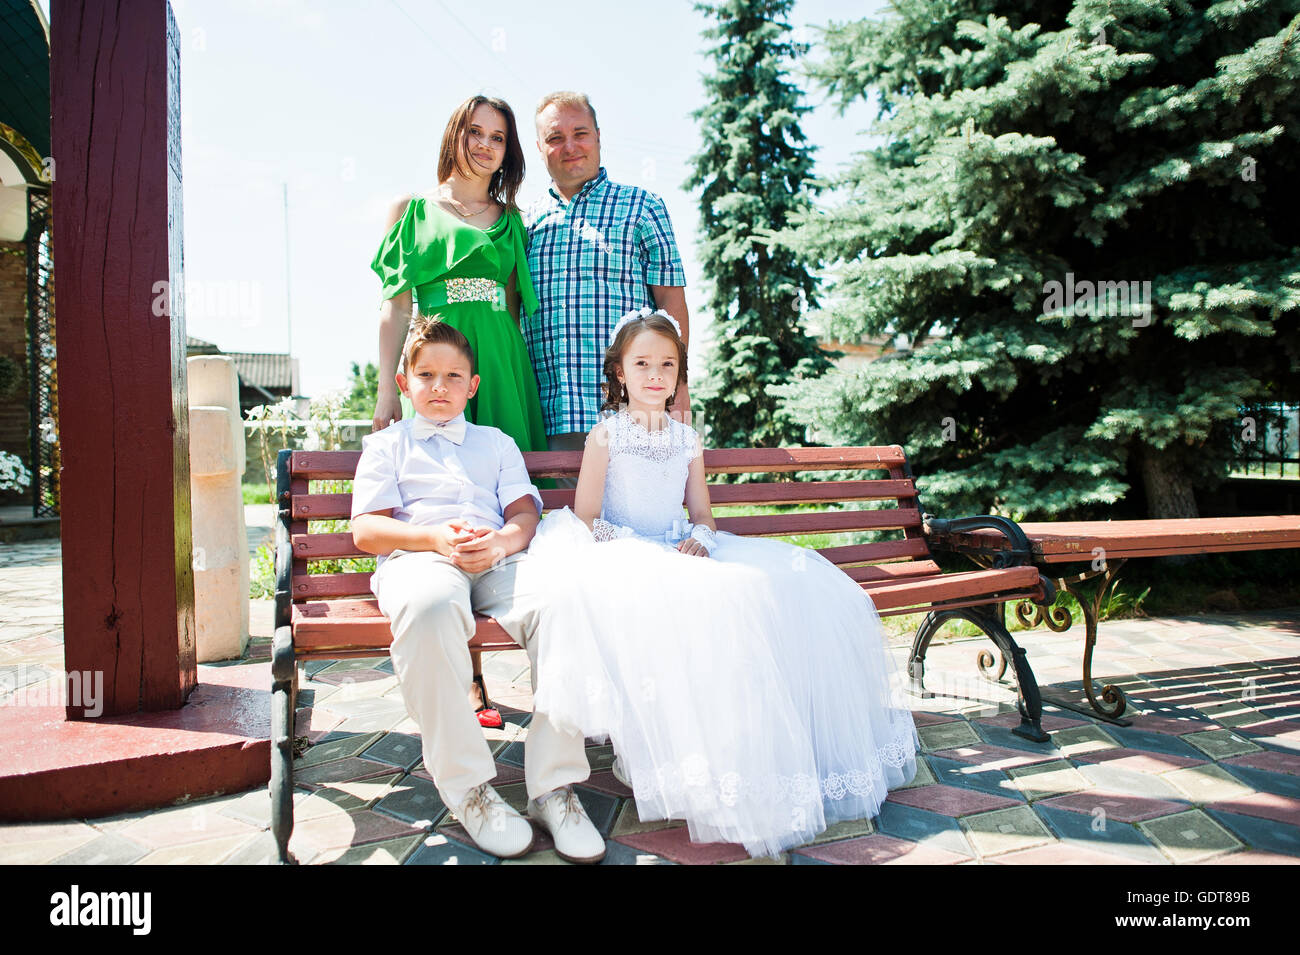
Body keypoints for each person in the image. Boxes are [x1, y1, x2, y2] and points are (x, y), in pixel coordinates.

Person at [527, 308, 920, 858]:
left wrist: (701, 541)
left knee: (790, 587)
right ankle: (684, 756)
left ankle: (761, 753)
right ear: (619, 372)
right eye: (641, 363)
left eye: (667, 364)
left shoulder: (687, 439)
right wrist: (639, 549)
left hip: (675, 546)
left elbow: (703, 516)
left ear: (679, 373)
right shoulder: (606, 436)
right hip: (618, 551)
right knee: (707, 601)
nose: (655, 375)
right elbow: (588, 517)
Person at [350, 316, 605, 864]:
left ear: (473, 385)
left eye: (452, 375)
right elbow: (366, 529)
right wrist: (432, 539)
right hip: (422, 558)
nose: (439, 387)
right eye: (426, 375)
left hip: (494, 559)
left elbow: (522, 513)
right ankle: (468, 787)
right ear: (404, 383)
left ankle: (554, 788)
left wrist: (500, 545)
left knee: (564, 601)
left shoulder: (496, 444)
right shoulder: (386, 446)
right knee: (430, 605)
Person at [370, 94, 548, 726]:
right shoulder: (411, 210)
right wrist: (389, 390)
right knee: (446, 501)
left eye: (497, 137)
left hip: (501, 366)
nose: (484, 145)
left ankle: (546, 673)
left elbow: (515, 306)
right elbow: (395, 306)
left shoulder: (511, 218)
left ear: (507, 151)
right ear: (455, 135)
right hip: (440, 367)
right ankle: (470, 681)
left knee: (497, 499)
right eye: (474, 132)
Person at [524, 91, 690, 467]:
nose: (569, 146)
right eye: (555, 138)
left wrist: (678, 390)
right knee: (560, 524)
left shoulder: (643, 206)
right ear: (539, 148)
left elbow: (671, 305)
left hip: (627, 413)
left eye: (580, 133)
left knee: (634, 522)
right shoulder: (525, 222)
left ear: (598, 136)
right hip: (547, 415)